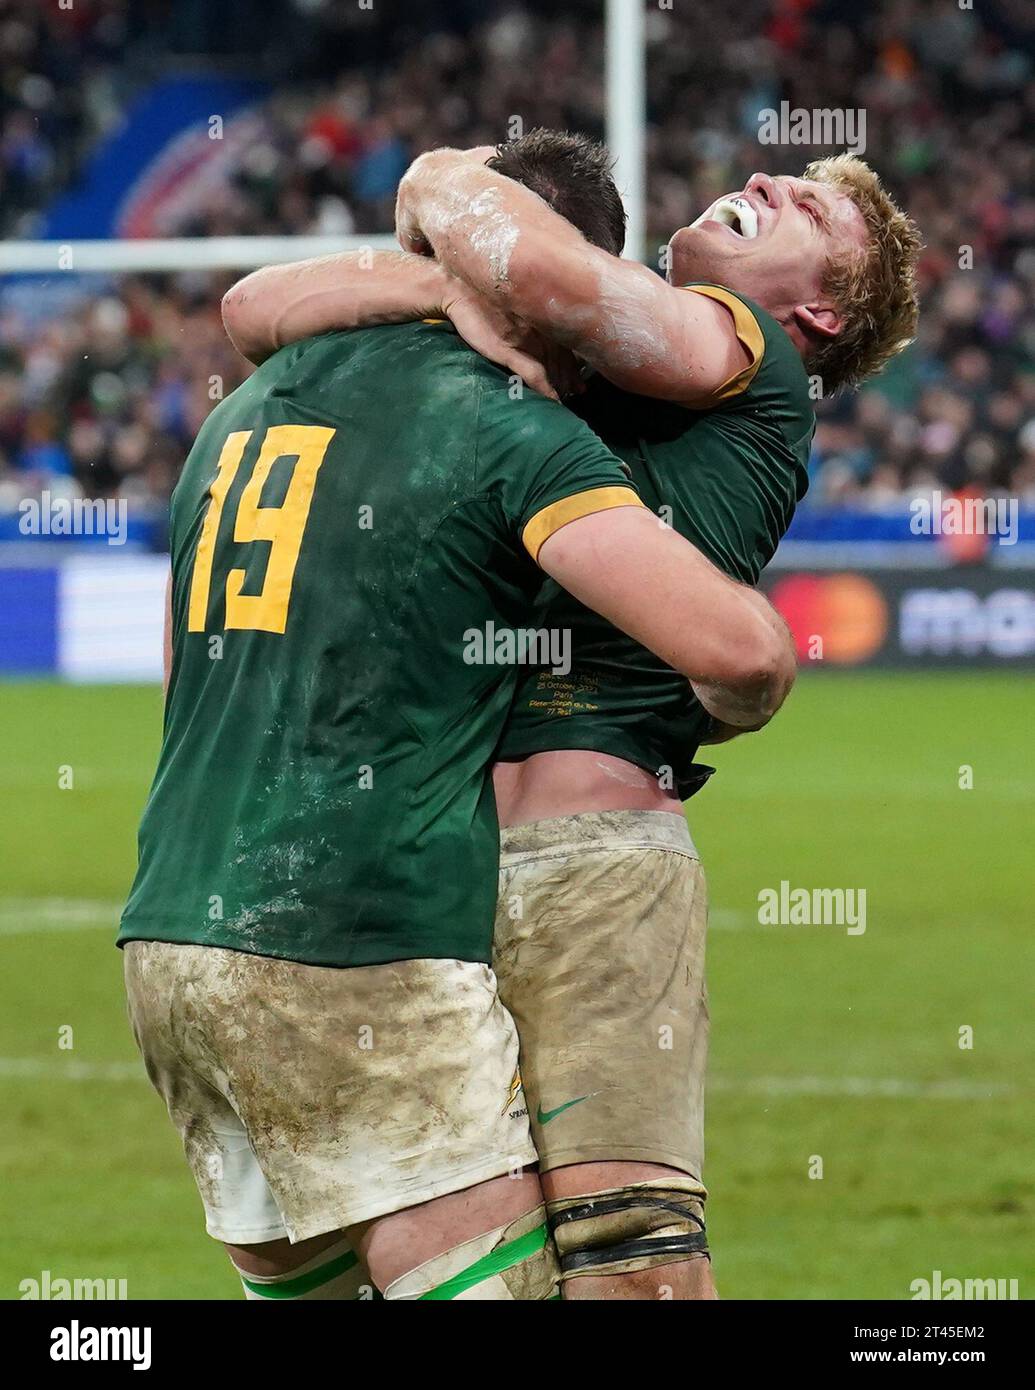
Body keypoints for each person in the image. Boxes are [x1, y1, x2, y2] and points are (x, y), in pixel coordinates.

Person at [222, 129, 920, 1299]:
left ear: (823, 320)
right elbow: (255, 309)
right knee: (474, 1271)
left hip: (586, 863)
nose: (761, 181)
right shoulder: (585, 354)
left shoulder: (745, 357)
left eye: (803, 208)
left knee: (632, 1271)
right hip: (434, 868)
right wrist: (465, 279)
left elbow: (532, 274)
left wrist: (446, 182)